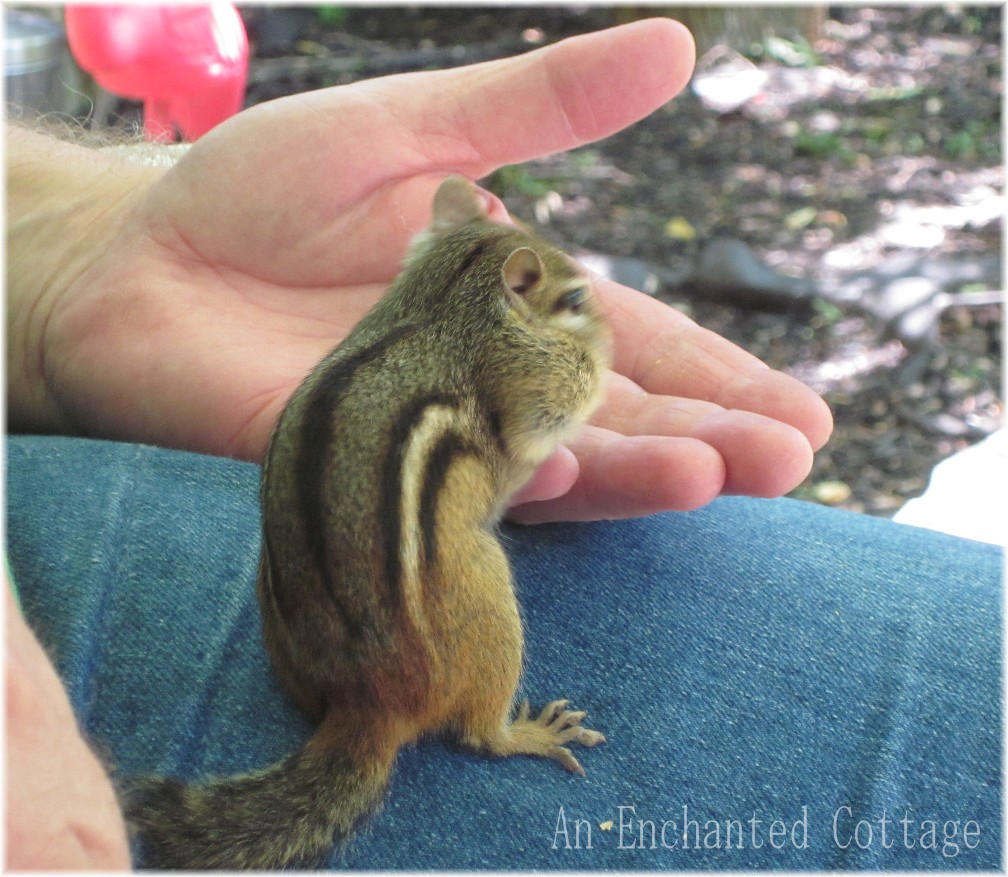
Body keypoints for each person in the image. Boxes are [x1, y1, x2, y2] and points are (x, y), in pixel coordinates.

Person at [5, 19, 1000, 869]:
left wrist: (69, 241)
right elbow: (532, 434)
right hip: (408, 663)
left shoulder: (388, 343)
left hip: (306, 653)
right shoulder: (503, 365)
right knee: (480, 564)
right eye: (565, 296)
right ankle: (488, 722)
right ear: (517, 297)